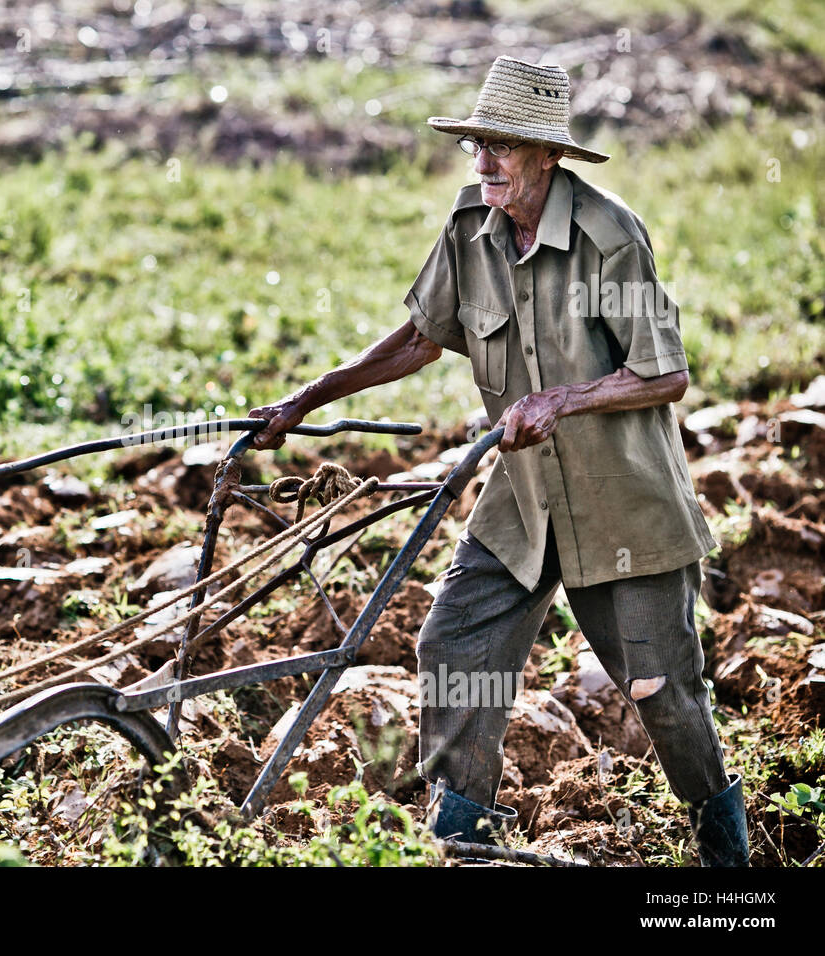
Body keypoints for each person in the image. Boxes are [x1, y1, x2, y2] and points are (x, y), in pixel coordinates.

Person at [248, 56, 748, 866]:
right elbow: (421, 338)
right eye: (475, 143)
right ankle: (464, 843)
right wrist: (312, 395)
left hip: (623, 501)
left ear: (547, 155)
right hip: (524, 498)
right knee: (455, 649)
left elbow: (666, 373)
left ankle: (727, 859)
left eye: (502, 148)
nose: (483, 162)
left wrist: (562, 400)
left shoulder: (607, 238)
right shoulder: (470, 229)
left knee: (661, 694)